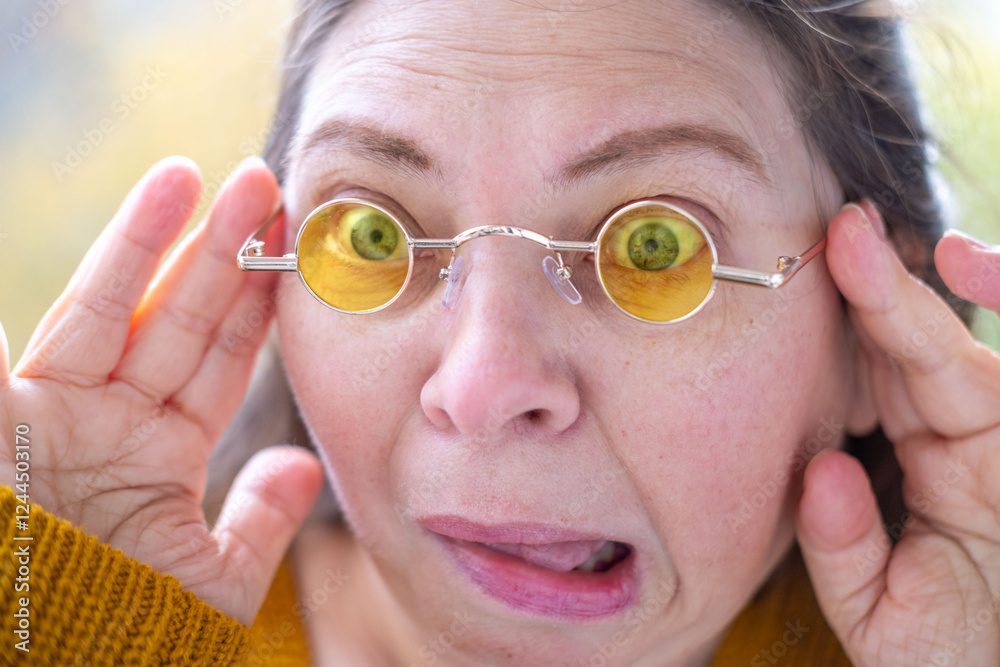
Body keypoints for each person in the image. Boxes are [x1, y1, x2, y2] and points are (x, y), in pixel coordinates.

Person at [2, 0, 999, 665]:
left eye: (651, 247)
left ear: (873, 327)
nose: (482, 385)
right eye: (374, 234)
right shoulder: (59, 609)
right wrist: (58, 630)